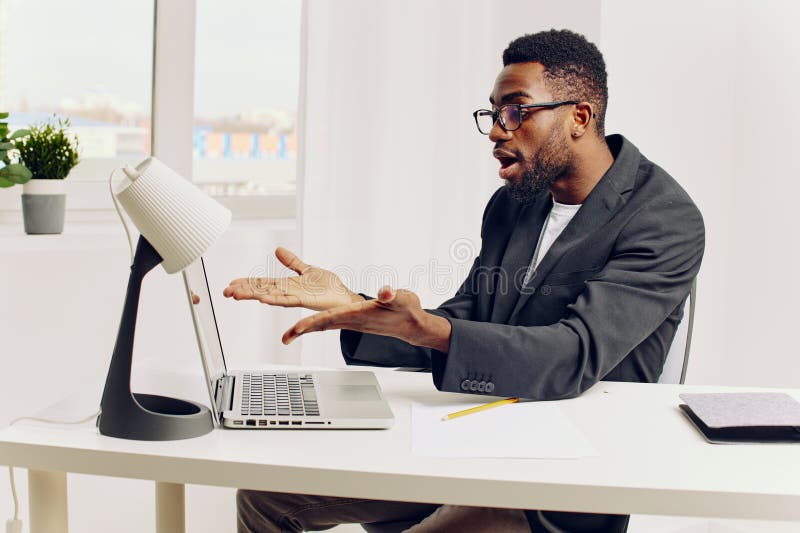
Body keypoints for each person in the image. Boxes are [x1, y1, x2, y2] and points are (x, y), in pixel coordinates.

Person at [224, 29, 705, 533]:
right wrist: (353, 305)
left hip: (555, 487)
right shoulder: (514, 203)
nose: (498, 131)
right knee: (266, 495)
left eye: (516, 111)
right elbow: (470, 317)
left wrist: (425, 330)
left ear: (579, 117)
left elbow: (573, 354)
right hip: (466, 440)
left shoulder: (664, 217)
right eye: (494, 114)